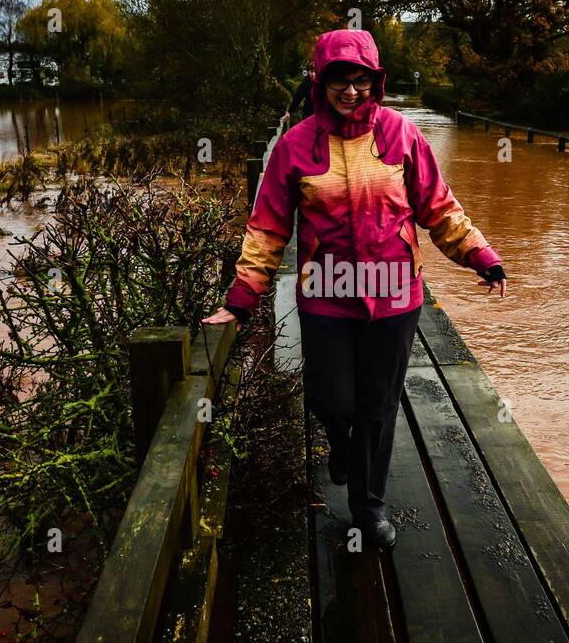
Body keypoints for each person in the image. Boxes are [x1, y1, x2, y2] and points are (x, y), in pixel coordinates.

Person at [202, 28, 506, 549]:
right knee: (331, 398)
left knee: (378, 406)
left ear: (374, 81)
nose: (350, 91)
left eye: (359, 80)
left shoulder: (403, 136)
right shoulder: (295, 147)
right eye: (338, 80)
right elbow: (268, 228)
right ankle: (338, 442)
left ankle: (369, 507)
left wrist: (480, 255)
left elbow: (439, 206)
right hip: (326, 297)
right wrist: (241, 297)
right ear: (320, 83)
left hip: (394, 299)